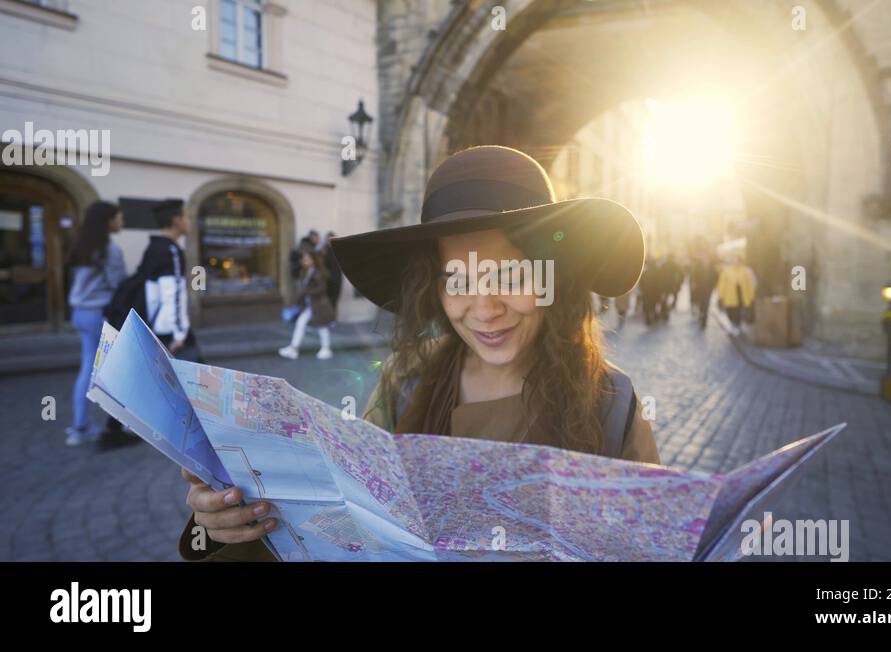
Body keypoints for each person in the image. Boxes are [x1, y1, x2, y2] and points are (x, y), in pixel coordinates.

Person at [177, 145, 658, 560]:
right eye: (458, 280)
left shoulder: (610, 403)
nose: (484, 308)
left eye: (510, 276)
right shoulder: (406, 381)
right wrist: (224, 527)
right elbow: (345, 526)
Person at [65, 201, 125, 446]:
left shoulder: (82, 246)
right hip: (100, 313)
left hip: (80, 313)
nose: (122, 221)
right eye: (119, 217)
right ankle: (118, 425)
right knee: (117, 370)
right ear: (108, 221)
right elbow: (118, 284)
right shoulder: (109, 249)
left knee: (88, 368)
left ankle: (80, 427)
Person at [139, 199, 199, 358]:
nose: (190, 222)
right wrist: (179, 335)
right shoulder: (171, 250)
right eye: (187, 217)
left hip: (156, 327)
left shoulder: (154, 247)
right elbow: (173, 294)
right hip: (170, 332)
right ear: (176, 220)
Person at [279, 247, 336, 360]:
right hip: (311, 305)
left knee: (321, 327)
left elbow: (322, 288)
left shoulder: (317, 272)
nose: (304, 261)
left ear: (313, 260)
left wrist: (306, 291)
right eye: (304, 259)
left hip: (318, 305)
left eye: (306, 259)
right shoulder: (309, 271)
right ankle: (294, 349)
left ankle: (326, 349)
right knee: (300, 324)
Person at [716, 254, 756, 333]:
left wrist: (751, 296)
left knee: (738, 311)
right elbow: (722, 284)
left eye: (737, 261)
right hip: (729, 296)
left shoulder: (745, 271)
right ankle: (733, 323)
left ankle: (737, 325)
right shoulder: (726, 271)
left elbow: (749, 284)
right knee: (730, 311)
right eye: (734, 261)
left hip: (741, 295)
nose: (736, 262)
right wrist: (720, 295)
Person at [688, 238, 718, 330]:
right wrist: (694, 284)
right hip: (700, 288)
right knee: (701, 303)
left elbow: (715, 277)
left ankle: (704, 319)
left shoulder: (712, 267)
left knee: (706, 303)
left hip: (708, 288)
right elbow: (694, 276)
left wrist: (714, 286)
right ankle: (702, 315)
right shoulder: (698, 267)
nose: (705, 259)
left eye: (706, 257)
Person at [321, 231, 344, 317]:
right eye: (328, 239)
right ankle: (328, 318)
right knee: (328, 299)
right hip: (327, 279)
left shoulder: (338, 250)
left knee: (334, 299)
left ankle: (332, 318)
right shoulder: (324, 251)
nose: (329, 241)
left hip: (337, 278)